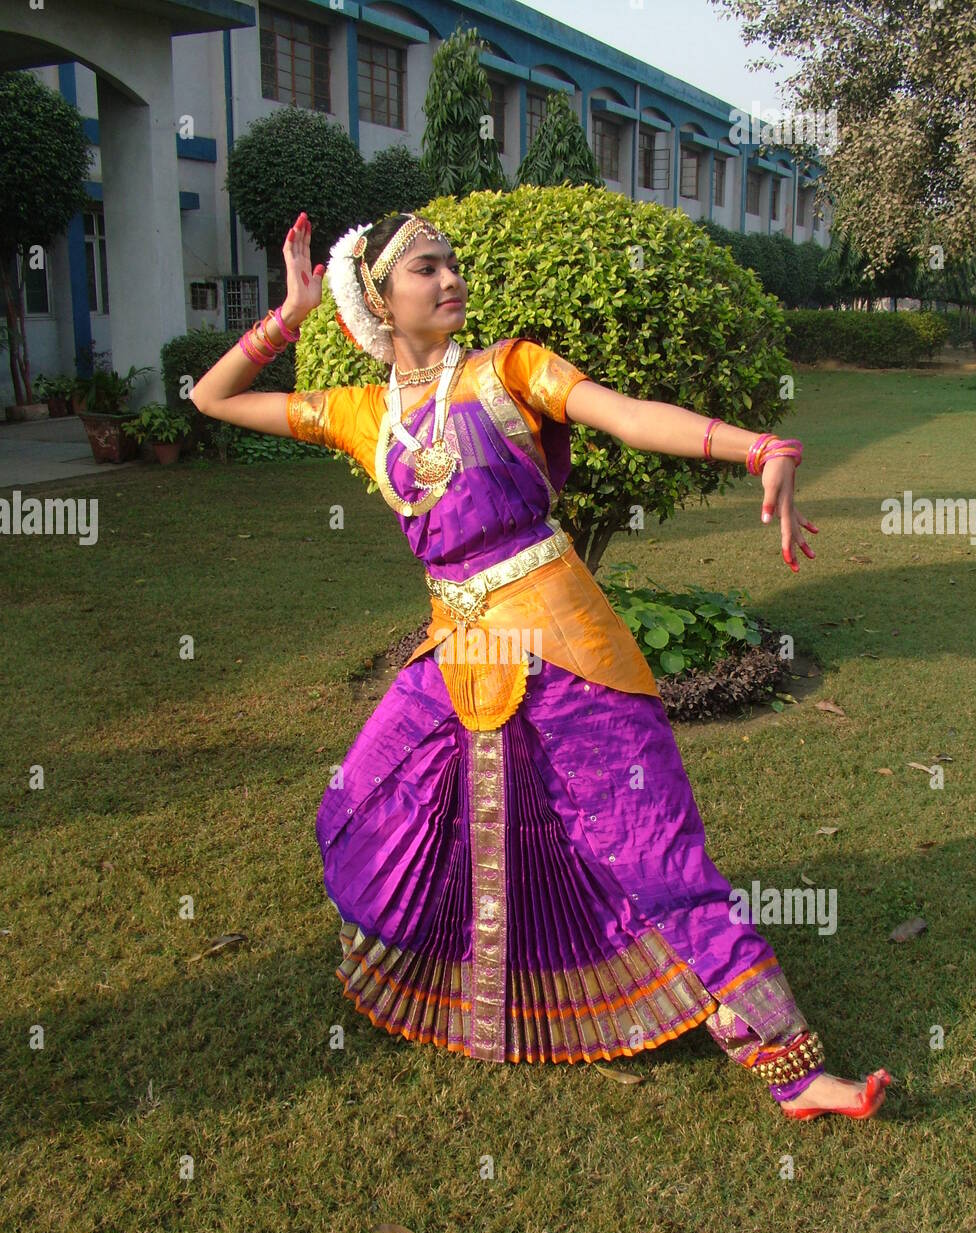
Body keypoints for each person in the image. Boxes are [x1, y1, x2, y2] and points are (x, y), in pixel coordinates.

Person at [190, 209, 891, 1121]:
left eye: (453, 263)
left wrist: (756, 444)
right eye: (426, 269)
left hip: (571, 647)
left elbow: (627, 416)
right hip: (456, 656)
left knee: (655, 850)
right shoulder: (365, 414)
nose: (450, 280)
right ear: (380, 301)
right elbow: (210, 399)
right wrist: (292, 309)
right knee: (373, 803)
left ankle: (795, 1072)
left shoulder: (509, 371)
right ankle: (477, 979)